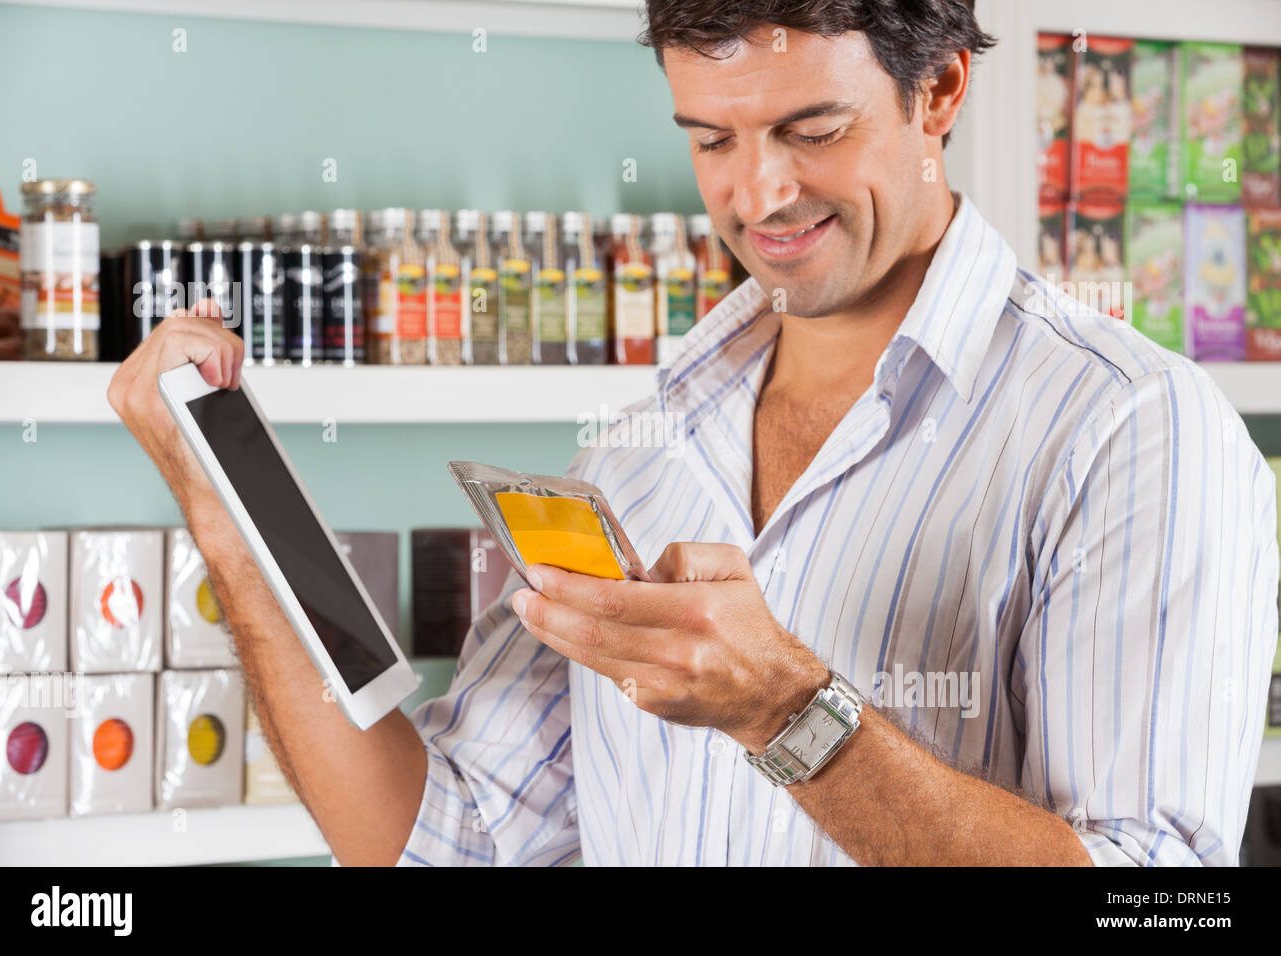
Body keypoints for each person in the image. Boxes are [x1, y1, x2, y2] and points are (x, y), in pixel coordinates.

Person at [109, 0, 1279, 866]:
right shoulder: (643, 439)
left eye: (811, 129)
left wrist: (789, 712)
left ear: (940, 94)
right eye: (711, 140)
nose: (758, 196)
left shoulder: (1129, 428)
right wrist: (222, 504)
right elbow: (442, 840)